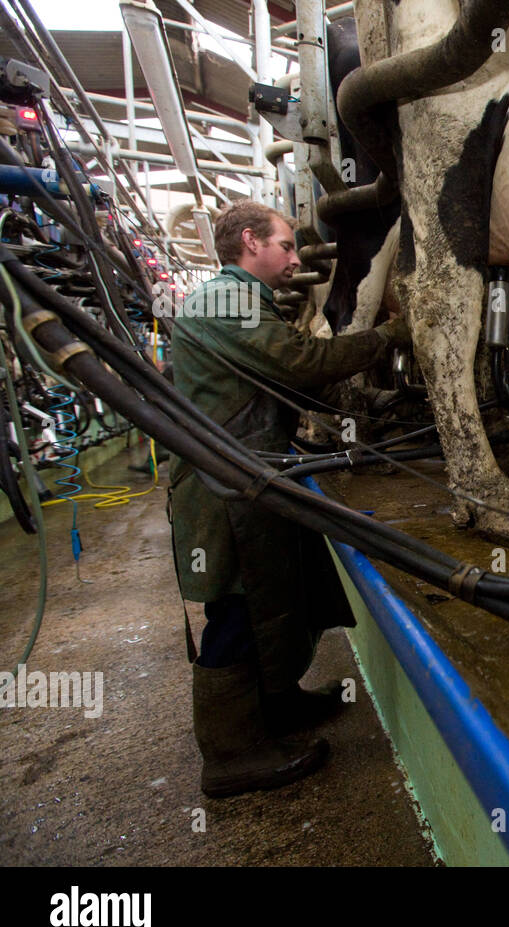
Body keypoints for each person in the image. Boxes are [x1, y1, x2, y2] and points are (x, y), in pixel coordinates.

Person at [168, 200, 410, 798]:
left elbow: (278, 380)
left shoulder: (239, 301)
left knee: (276, 595)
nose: (296, 258)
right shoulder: (226, 302)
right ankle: (229, 755)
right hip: (224, 488)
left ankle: (279, 706)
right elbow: (300, 364)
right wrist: (388, 336)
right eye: (285, 245)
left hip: (248, 471)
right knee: (237, 609)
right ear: (250, 242)